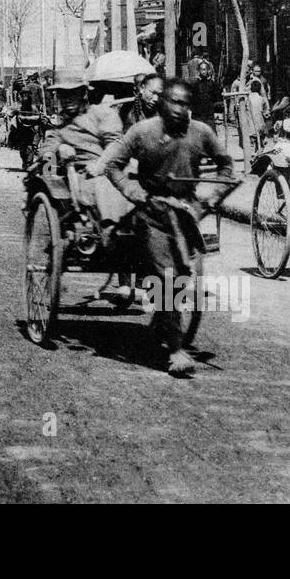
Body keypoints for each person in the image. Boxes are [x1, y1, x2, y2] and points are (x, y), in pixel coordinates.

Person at [87, 78, 234, 377]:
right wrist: (135, 194)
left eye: (185, 104)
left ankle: (162, 321)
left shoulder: (201, 132)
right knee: (166, 276)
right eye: (174, 102)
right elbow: (113, 165)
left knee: (181, 275)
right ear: (162, 103)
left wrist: (212, 198)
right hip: (151, 213)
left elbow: (227, 166)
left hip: (185, 214)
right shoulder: (143, 132)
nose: (180, 109)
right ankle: (177, 349)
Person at [39, 69, 130, 244]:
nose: (67, 100)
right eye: (62, 95)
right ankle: (111, 231)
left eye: (72, 93)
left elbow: (115, 143)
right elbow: (45, 156)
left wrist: (101, 163)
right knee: (102, 185)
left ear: (83, 93)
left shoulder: (102, 113)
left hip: (114, 167)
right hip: (84, 178)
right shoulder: (60, 129)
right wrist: (59, 152)